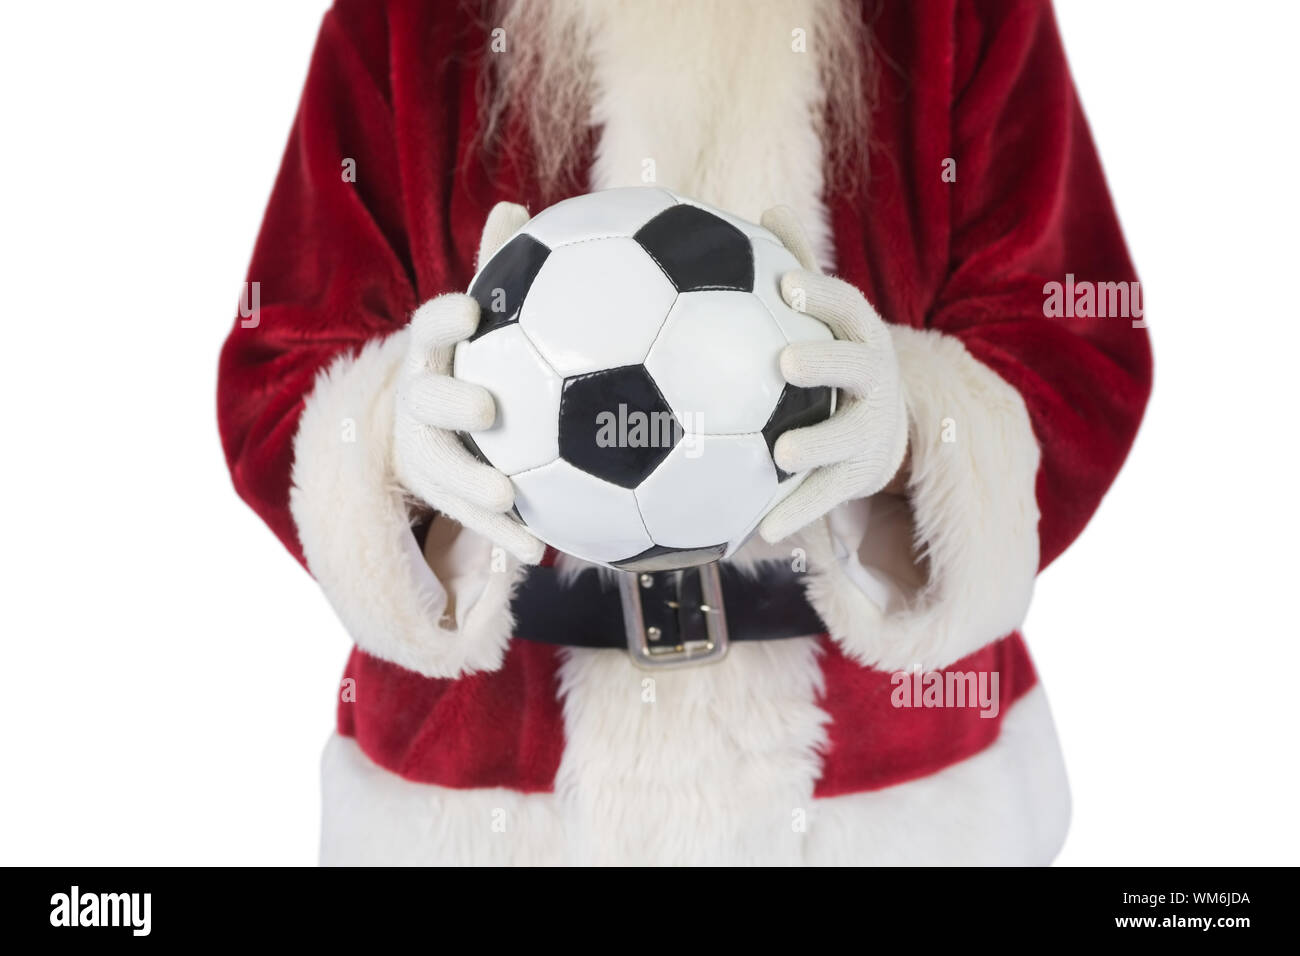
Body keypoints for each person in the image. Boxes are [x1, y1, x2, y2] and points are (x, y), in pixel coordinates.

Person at [218, 0, 1151, 864]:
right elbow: (285, 366)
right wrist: (392, 448)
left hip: (879, 793)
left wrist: (913, 429)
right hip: (489, 789)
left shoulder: (962, 14)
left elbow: (1072, 340)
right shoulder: (401, 19)